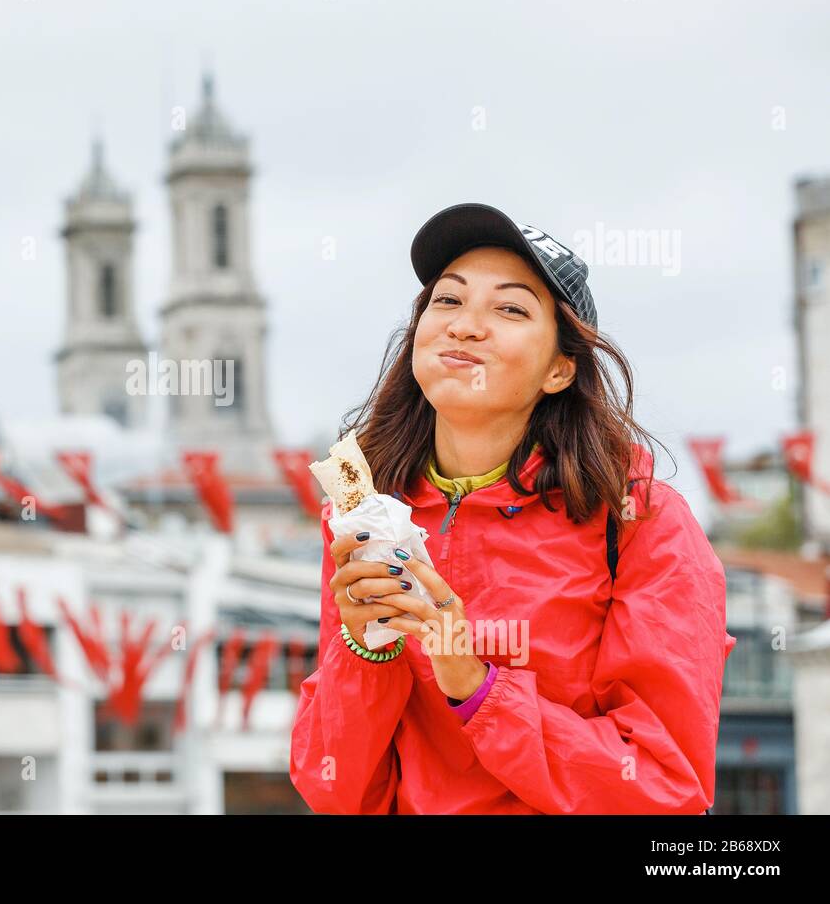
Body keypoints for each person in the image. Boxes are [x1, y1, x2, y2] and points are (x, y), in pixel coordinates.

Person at [289, 202, 738, 814]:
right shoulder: (365, 519)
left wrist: (477, 691)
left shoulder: (641, 523)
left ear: (559, 368)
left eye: (509, 308)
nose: (465, 326)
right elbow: (337, 790)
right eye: (447, 301)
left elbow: (664, 785)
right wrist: (368, 649)